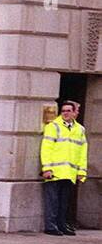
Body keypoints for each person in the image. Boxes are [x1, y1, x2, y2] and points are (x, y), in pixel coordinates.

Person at [40, 100, 88, 236]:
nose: (65, 113)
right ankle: (50, 226)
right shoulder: (53, 126)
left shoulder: (80, 129)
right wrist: (46, 168)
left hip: (70, 172)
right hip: (54, 171)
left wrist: (81, 171)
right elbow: (46, 149)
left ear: (74, 113)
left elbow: (82, 152)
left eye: (68, 111)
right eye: (63, 111)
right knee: (52, 200)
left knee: (64, 202)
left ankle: (61, 224)